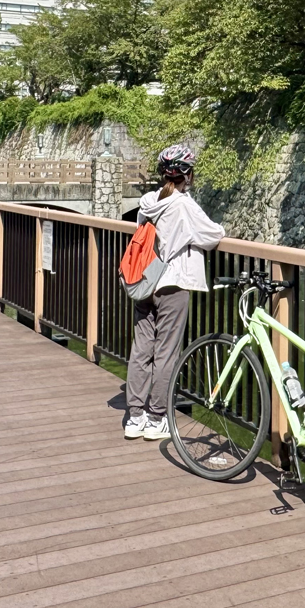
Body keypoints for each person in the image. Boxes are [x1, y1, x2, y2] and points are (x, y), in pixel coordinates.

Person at [124, 144, 224, 441]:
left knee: (142, 349)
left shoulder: (148, 202)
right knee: (166, 352)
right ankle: (157, 418)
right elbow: (213, 235)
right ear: (188, 175)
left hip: (145, 281)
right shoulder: (183, 205)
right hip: (173, 284)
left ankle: (135, 417)